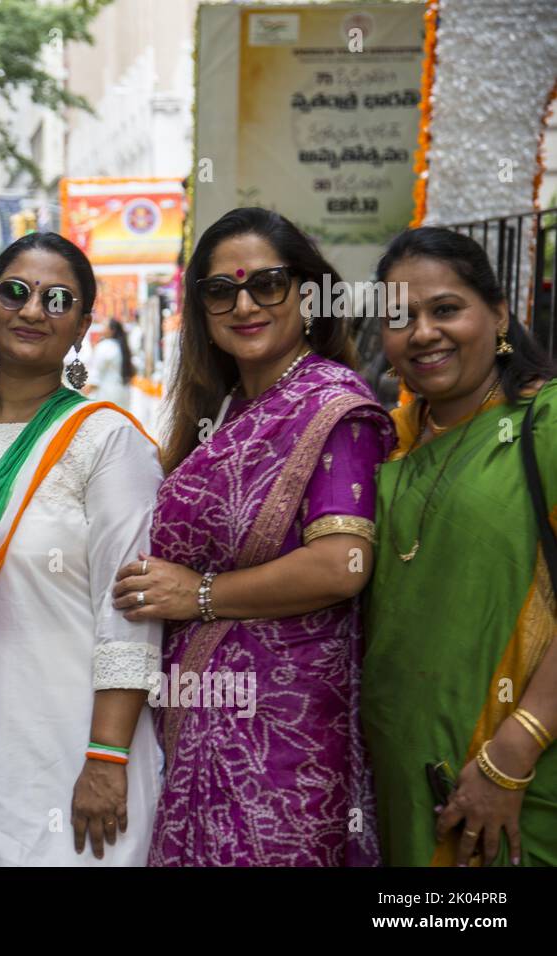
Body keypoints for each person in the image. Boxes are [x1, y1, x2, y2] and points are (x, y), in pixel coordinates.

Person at [113, 207, 394, 866]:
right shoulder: (223, 410)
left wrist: (200, 596)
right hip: (197, 710)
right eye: (221, 290)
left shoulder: (335, 408)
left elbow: (341, 564)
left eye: (266, 284)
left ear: (307, 293)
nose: (244, 304)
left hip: (286, 726)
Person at [0, 232, 164, 866]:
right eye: (16, 292)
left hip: (76, 746)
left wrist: (107, 758)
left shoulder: (108, 441)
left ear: (83, 324)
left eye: (58, 299)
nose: (33, 310)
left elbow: (130, 610)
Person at [363, 227, 557, 866]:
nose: (421, 332)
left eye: (445, 309)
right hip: (402, 785)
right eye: (401, 317)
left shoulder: (545, 425)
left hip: (519, 789)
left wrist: (513, 752)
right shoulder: (385, 444)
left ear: (498, 315)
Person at [87, 319, 135, 410]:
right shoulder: (122, 347)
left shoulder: (104, 346)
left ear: (111, 330)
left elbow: (97, 371)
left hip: (107, 394)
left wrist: (89, 388)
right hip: (123, 393)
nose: (101, 328)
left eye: (104, 326)